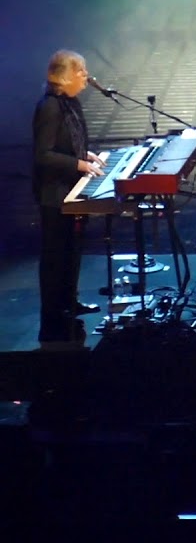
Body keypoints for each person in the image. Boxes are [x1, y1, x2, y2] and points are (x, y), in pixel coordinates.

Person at [32, 50, 105, 344]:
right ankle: (53, 312)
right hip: (55, 194)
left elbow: (68, 143)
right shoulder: (49, 107)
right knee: (55, 255)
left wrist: (84, 154)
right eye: (81, 72)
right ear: (65, 75)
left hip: (72, 190)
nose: (86, 78)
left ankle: (69, 302)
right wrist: (78, 164)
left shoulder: (70, 104)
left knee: (72, 252)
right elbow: (43, 155)